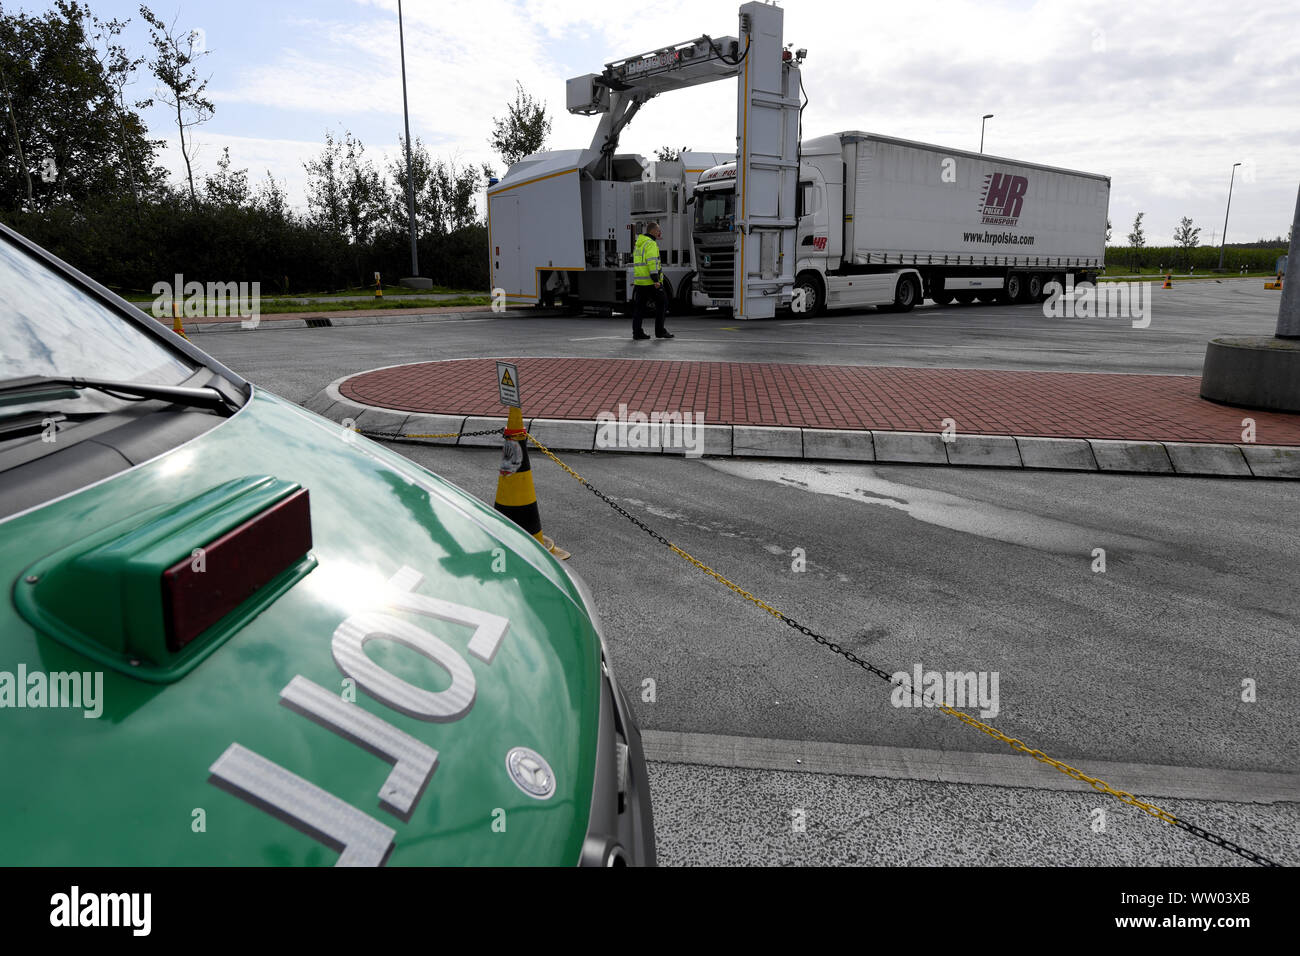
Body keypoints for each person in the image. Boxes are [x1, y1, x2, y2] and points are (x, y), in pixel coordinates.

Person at [631, 222, 673, 340]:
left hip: (640, 282)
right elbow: (652, 262)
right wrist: (656, 280)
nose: (660, 232)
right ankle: (660, 331)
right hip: (651, 282)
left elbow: (638, 263)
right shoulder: (651, 244)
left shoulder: (639, 244)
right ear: (652, 231)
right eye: (658, 230)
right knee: (663, 303)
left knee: (639, 308)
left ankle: (637, 333)